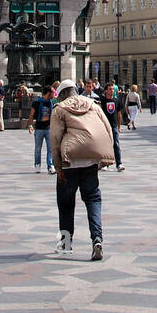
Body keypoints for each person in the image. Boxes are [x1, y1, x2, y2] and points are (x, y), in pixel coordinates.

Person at [50, 79, 114, 261]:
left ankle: (66, 244)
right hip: (90, 161)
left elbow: (55, 141)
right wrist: (104, 157)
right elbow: (107, 128)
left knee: (65, 203)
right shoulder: (93, 104)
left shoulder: (60, 109)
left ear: (62, 95)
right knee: (93, 199)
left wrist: (58, 167)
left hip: (70, 161)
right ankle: (97, 239)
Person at [28, 85, 55, 173]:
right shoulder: (37, 103)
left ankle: (50, 166)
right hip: (39, 128)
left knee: (50, 148)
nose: (54, 94)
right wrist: (30, 125)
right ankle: (37, 165)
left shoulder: (52, 103)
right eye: (52, 92)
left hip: (49, 128)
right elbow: (31, 115)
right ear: (48, 93)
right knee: (38, 148)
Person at [100, 82, 125, 171]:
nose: (112, 91)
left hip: (114, 125)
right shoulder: (102, 101)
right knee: (105, 145)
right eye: (110, 89)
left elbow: (119, 114)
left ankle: (119, 163)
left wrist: (119, 126)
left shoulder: (116, 100)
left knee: (116, 144)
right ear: (106, 91)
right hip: (105, 125)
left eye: (113, 89)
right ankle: (105, 163)